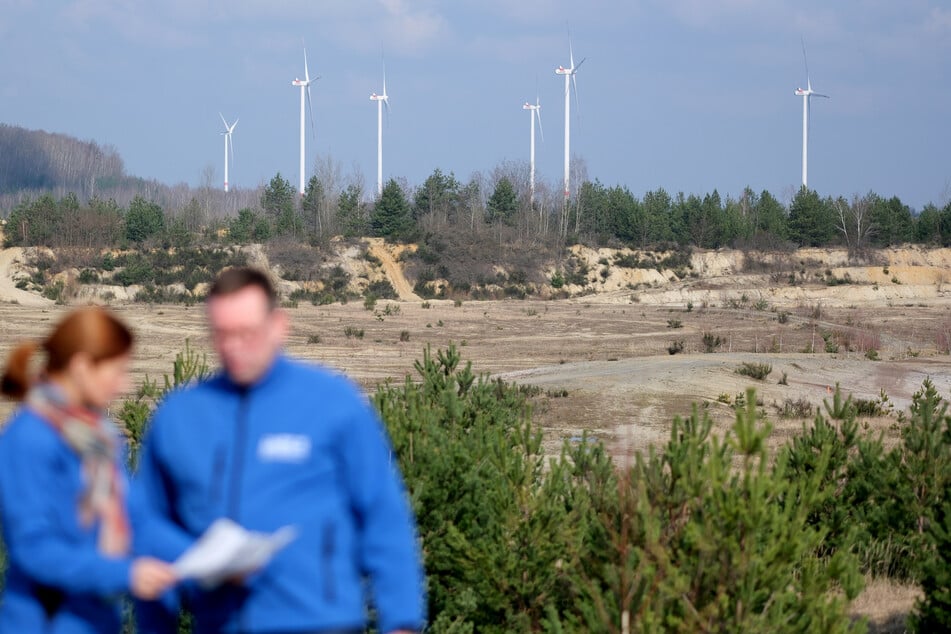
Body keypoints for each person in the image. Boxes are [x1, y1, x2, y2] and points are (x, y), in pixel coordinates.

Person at [133, 267, 426, 633]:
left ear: (279, 326)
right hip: (218, 623)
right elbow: (146, 526)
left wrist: (401, 621)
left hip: (320, 621)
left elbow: (383, 517)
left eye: (247, 333)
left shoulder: (333, 403)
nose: (234, 347)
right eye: (222, 335)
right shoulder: (177, 416)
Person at [0, 307, 177, 633]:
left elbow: (137, 520)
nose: (125, 386)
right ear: (82, 366)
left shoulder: (99, 439)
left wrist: (201, 558)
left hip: (98, 620)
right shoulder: (27, 439)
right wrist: (126, 574)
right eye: (118, 371)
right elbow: (34, 549)